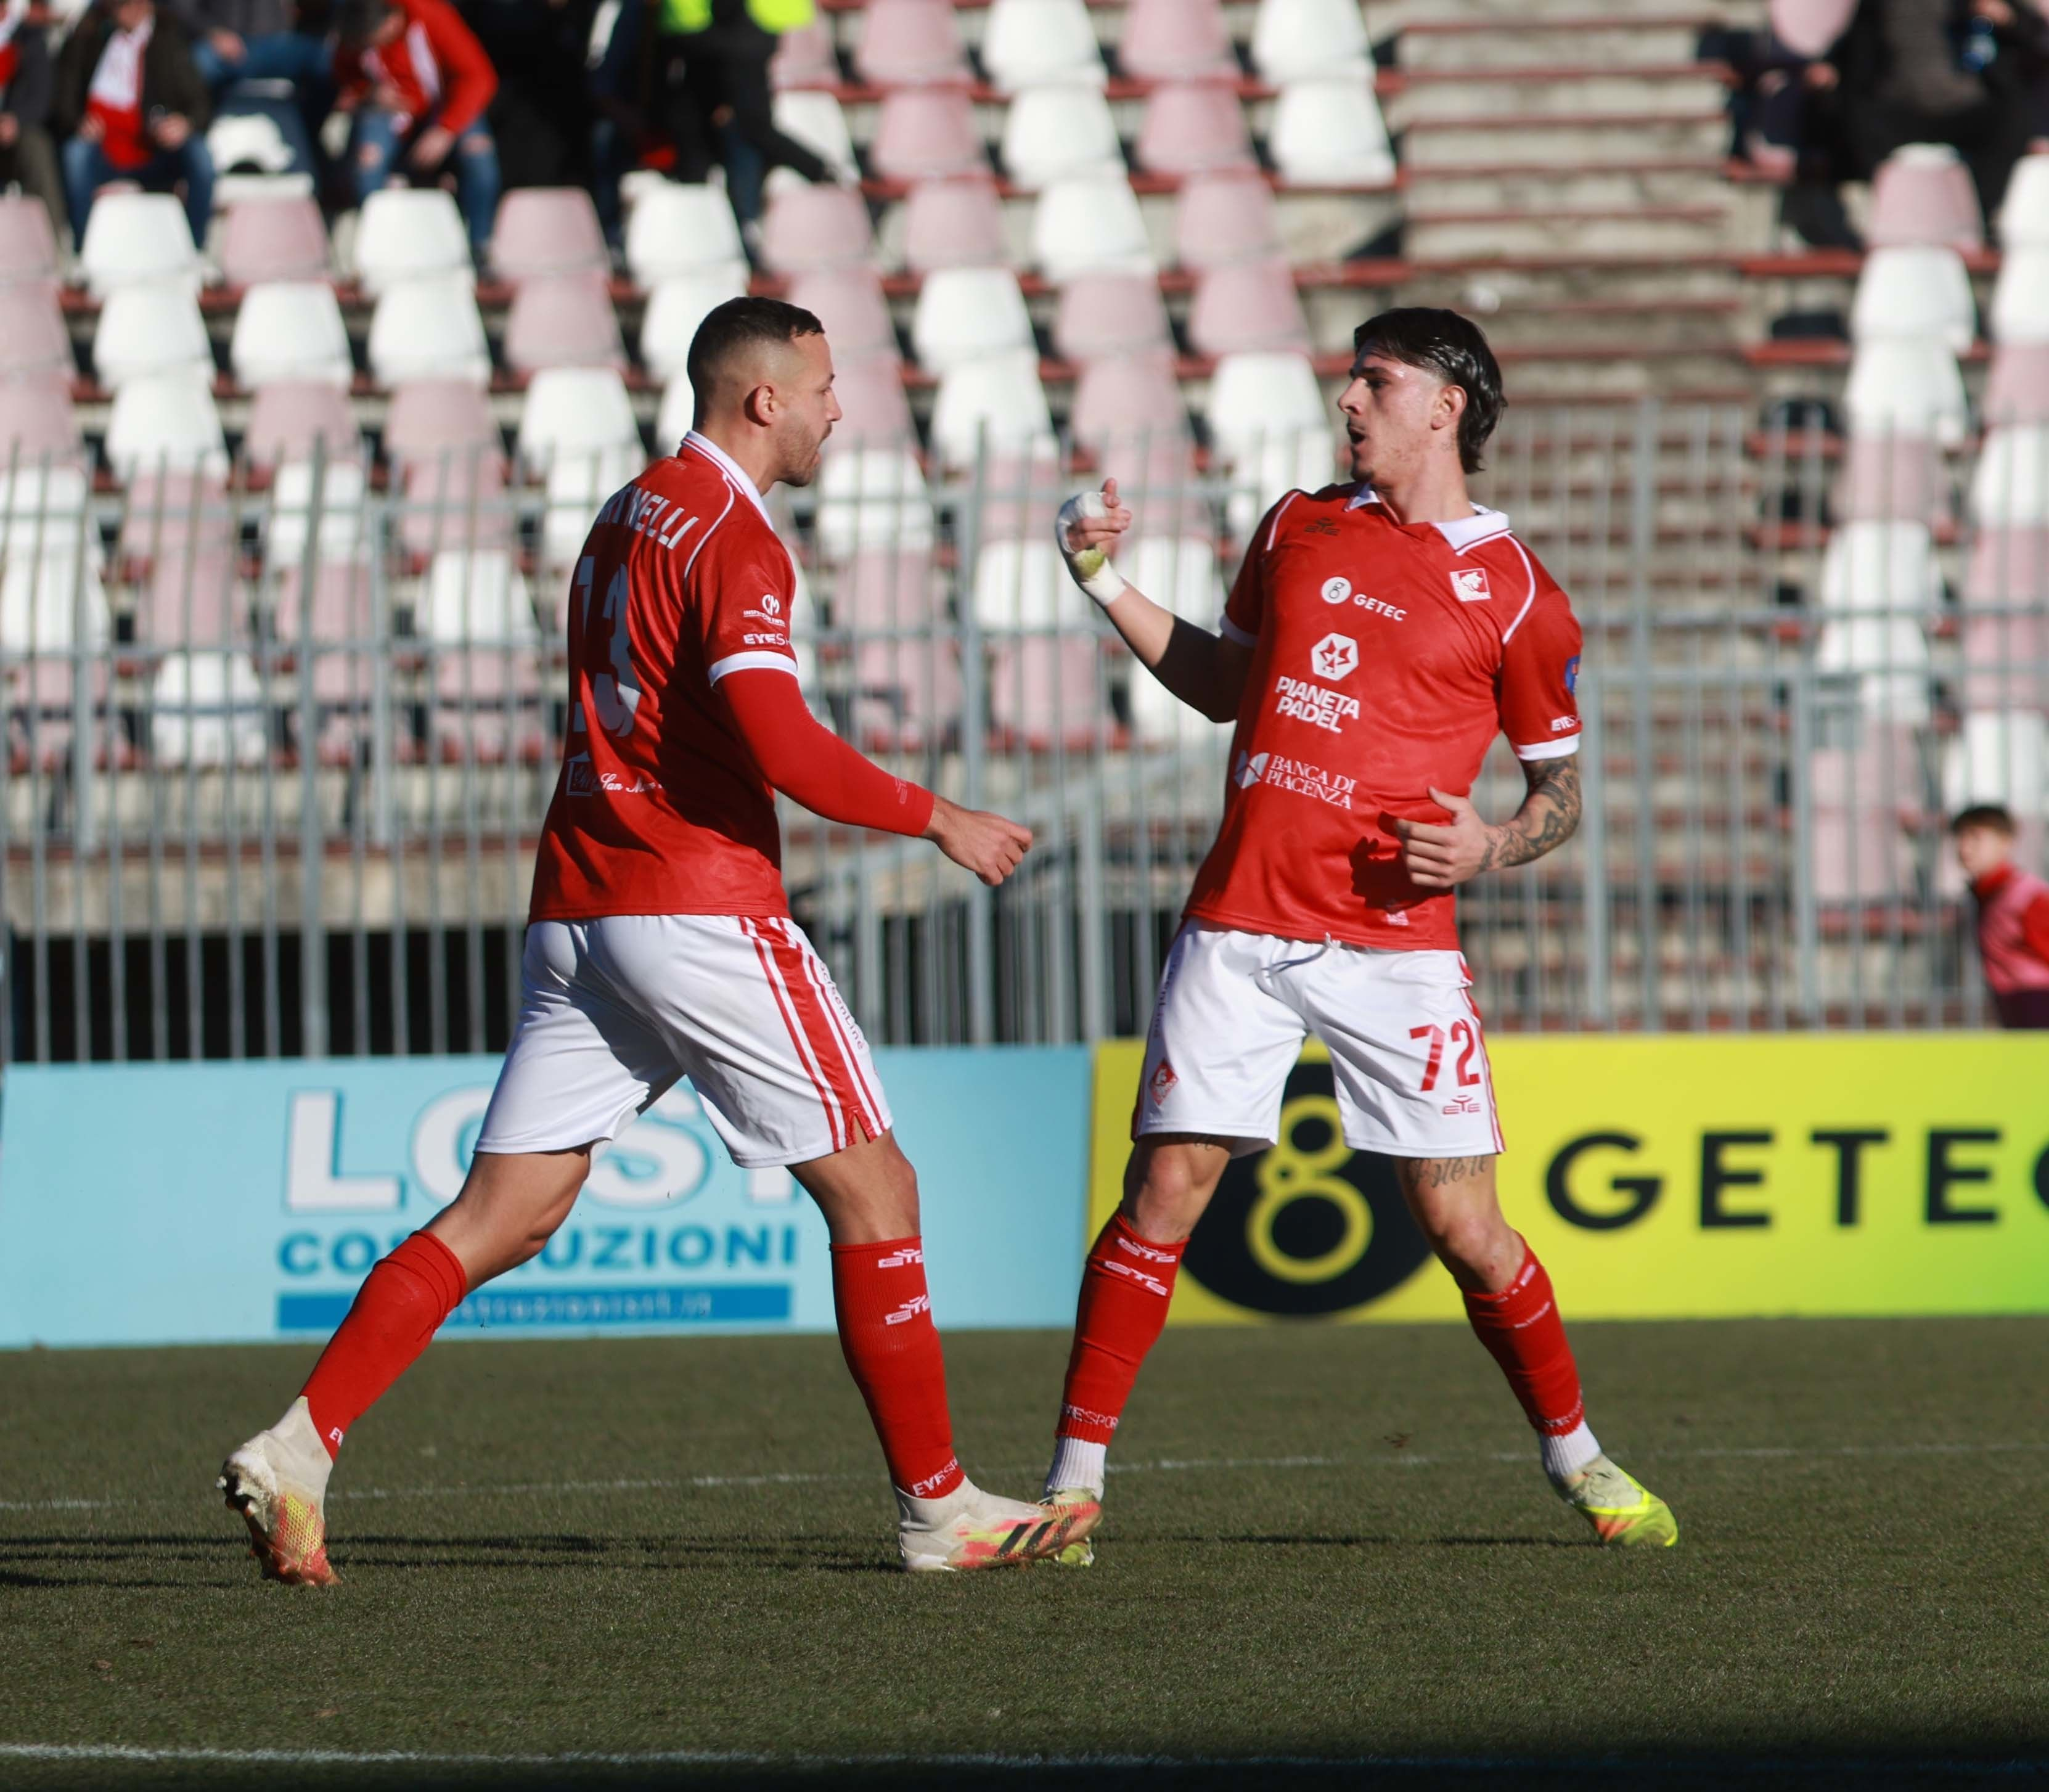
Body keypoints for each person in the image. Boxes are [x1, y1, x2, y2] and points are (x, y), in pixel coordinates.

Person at [218, 297, 1100, 1584]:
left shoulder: (624, 513)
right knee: (878, 1188)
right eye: (823, 387)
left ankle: (300, 1447)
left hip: (580, 901)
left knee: (507, 1210)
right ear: (761, 401)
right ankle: (939, 1508)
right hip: (694, 903)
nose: (836, 409)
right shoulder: (740, 540)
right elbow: (780, 743)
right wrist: (938, 815)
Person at [1039, 306, 1678, 1562]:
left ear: (1449, 405)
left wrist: (1494, 842)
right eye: (1351, 380)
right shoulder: (1295, 523)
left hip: (1396, 948)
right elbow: (1231, 682)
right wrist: (1104, 581)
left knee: (1463, 1226)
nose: (1351, 401)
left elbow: (1560, 789)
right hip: (1239, 923)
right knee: (1165, 1187)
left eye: (1376, 382)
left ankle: (1579, 1456)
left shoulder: (1520, 595)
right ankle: (1071, 1486)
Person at [333, 0, 498, 254]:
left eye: (374, 38)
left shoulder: (433, 17)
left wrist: (446, 129)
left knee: (479, 152)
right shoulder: (357, 29)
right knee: (367, 161)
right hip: (391, 115)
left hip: (444, 110)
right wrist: (368, 92)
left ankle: (480, 246)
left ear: (393, 19)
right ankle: (380, 249)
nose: (370, 45)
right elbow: (343, 73)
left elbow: (479, 77)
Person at [54, 0, 215, 249]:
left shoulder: (169, 39)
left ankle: (195, 249)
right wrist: (79, 122)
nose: (122, 11)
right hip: (103, 151)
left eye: (128, 4)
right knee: (76, 153)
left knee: (200, 157)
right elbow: (64, 94)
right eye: (117, 5)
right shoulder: (91, 33)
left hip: (154, 152)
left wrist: (185, 123)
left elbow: (200, 102)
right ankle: (83, 250)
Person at [656, 0, 827, 227]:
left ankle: (820, 174)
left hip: (739, 30)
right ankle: (714, 219)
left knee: (749, 125)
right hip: (710, 32)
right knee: (706, 124)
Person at [171, 0, 333, 174]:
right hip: (220, 44)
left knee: (328, 61)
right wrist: (212, 31)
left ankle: (314, 148)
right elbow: (181, 7)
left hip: (281, 41)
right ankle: (192, 164)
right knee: (197, 65)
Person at [1953, 803, 2049, 1026]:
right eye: (1960, 838)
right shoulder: (1984, 897)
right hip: (2017, 1014)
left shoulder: (2030, 898)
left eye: (1976, 838)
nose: (1964, 847)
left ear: (2006, 842)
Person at [0, 0, 66, 253]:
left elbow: (42, 96)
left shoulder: (28, 38)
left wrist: (17, 120)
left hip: (16, 135)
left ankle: (53, 246)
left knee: (38, 148)